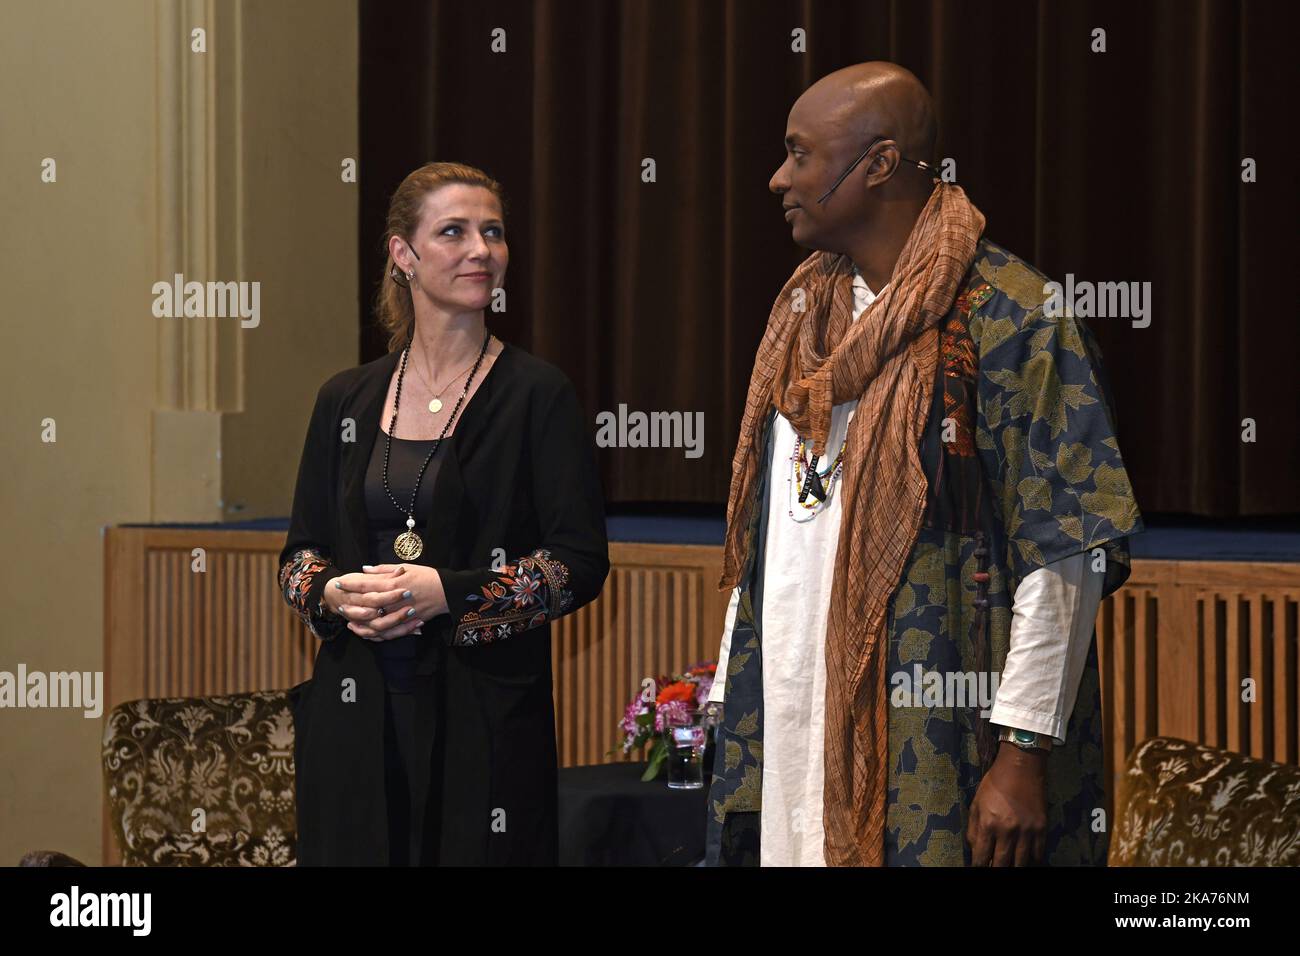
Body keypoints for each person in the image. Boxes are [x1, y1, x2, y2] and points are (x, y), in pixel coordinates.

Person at [704, 63, 1143, 866]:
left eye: (800, 154)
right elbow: (775, 535)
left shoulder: (1013, 316)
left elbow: (1068, 550)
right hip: (799, 721)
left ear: (876, 163)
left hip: (946, 735)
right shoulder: (801, 319)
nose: (778, 178)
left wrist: (1022, 753)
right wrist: (734, 702)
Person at [278, 161, 609, 865]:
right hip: (354, 719)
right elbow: (299, 555)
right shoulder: (345, 399)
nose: (480, 250)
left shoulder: (538, 395)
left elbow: (577, 564)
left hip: (484, 727)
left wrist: (447, 596)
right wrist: (332, 593)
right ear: (404, 255)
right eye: (453, 232)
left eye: (492, 232)